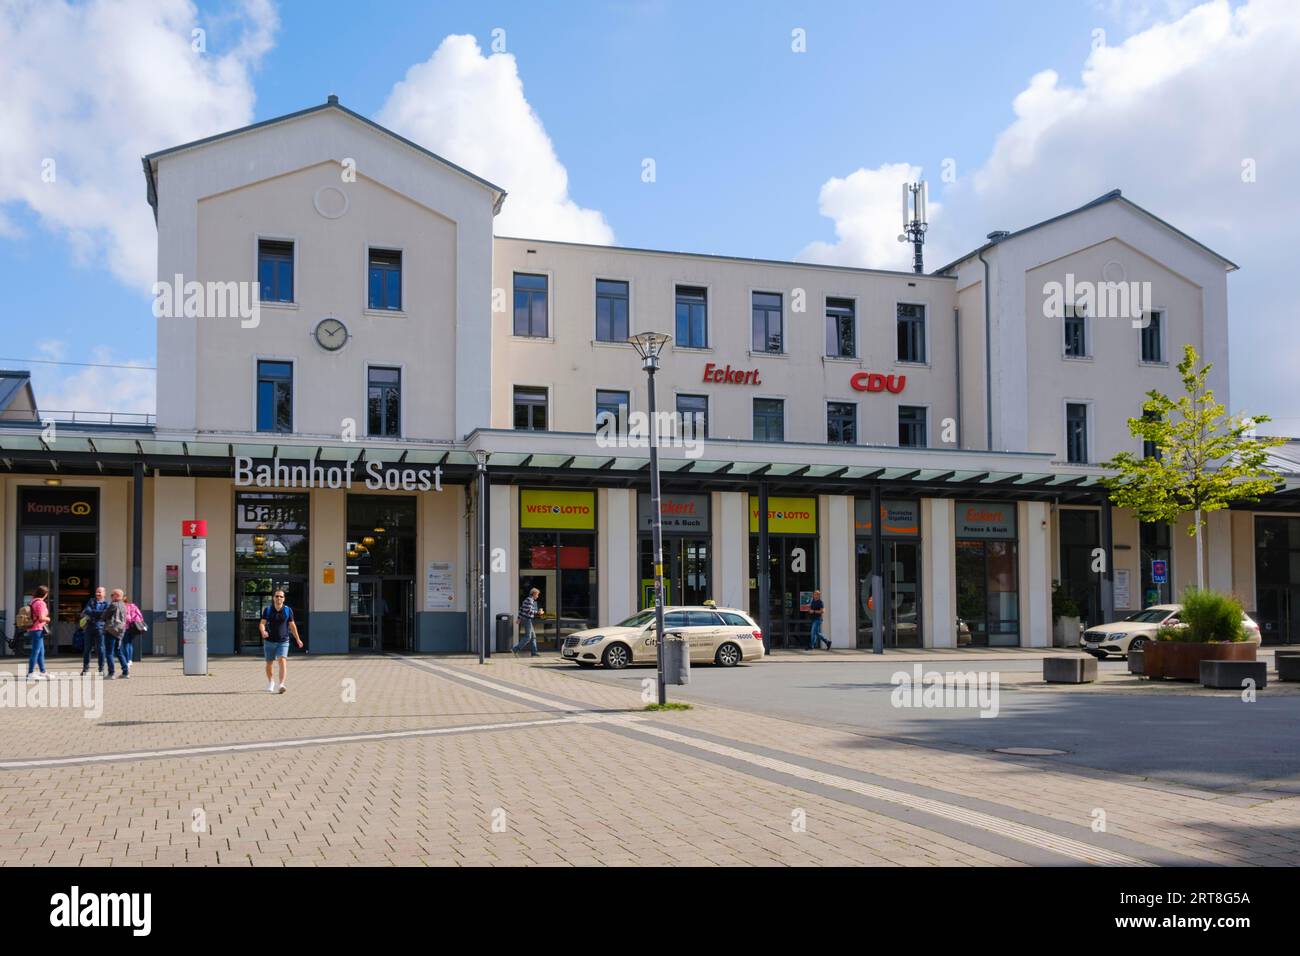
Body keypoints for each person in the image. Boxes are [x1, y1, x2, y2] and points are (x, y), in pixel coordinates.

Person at [258, 589, 303, 693]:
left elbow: (292, 625)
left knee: (282, 660)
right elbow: (262, 623)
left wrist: (298, 639)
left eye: (281, 596)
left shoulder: (288, 610)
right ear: (274, 598)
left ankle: (281, 684)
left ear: (284, 599)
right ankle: (271, 682)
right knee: (269, 663)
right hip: (269, 641)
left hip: (283, 641)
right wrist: (263, 631)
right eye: (277, 596)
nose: (279, 598)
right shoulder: (268, 610)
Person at [25, 585, 51, 681]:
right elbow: (41, 617)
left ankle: (43, 672)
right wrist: (48, 618)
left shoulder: (33, 601)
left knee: (41, 652)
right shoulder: (40, 603)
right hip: (37, 629)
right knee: (36, 651)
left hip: (33, 628)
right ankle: (30, 673)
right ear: (45, 594)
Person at [119, 592, 147, 678]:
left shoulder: (122, 607)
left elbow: (127, 618)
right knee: (129, 643)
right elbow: (139, 616)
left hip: (125, 627)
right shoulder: (132, 606)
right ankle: (129, 660)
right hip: (133, 627)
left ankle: (127, 660)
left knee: (125, 644)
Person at [103, 589, 128, 679]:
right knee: (119, 651)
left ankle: (111, 673)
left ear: (116, 596)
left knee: (109, 652)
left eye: (112, 595)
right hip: (121, 631)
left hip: (112, 630)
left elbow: (105, 616)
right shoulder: (124, 605)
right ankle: (125, 672)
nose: (111, 597)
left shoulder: (113, 605)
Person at [512, 588, 543, 657]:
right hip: (527, 619)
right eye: (537, 595)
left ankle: (534, 653)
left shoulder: (527, 599)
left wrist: (519, 618)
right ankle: (515, 649)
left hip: (526, 619)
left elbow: (521, 609)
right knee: (528, 637)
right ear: (534, 594)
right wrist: (538, 612)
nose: (537, 596)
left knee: (533, 636)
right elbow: (528, 611)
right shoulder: (529, 600)